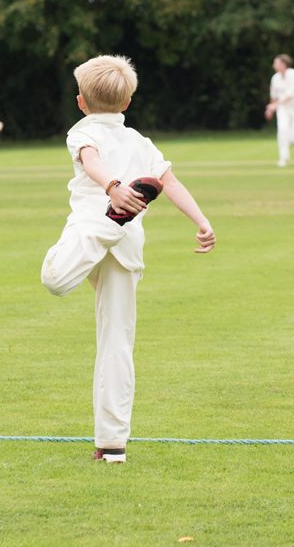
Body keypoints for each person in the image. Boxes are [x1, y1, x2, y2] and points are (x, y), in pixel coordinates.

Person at [41, 54, 216, 464]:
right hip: (127, 239)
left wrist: (113, 188)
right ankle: (113, 446)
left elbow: (92, 161)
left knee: (54, 279)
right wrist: (202, 221)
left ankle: (108, 224)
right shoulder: (141, 142)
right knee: (116, 342)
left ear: (81, 101)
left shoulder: (81, 129)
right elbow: (169, 182)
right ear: (128, 104)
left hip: (93, 225)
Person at [265, 54, 294, 167]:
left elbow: (290, 94)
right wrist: (271, 108)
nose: (274, 65)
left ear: (284, 64)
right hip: (283, 109)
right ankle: (283, 157)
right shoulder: (275, 78)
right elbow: (273, 95)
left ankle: (286, 143)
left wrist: (275, 105)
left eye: (276, 63)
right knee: (282, 130)